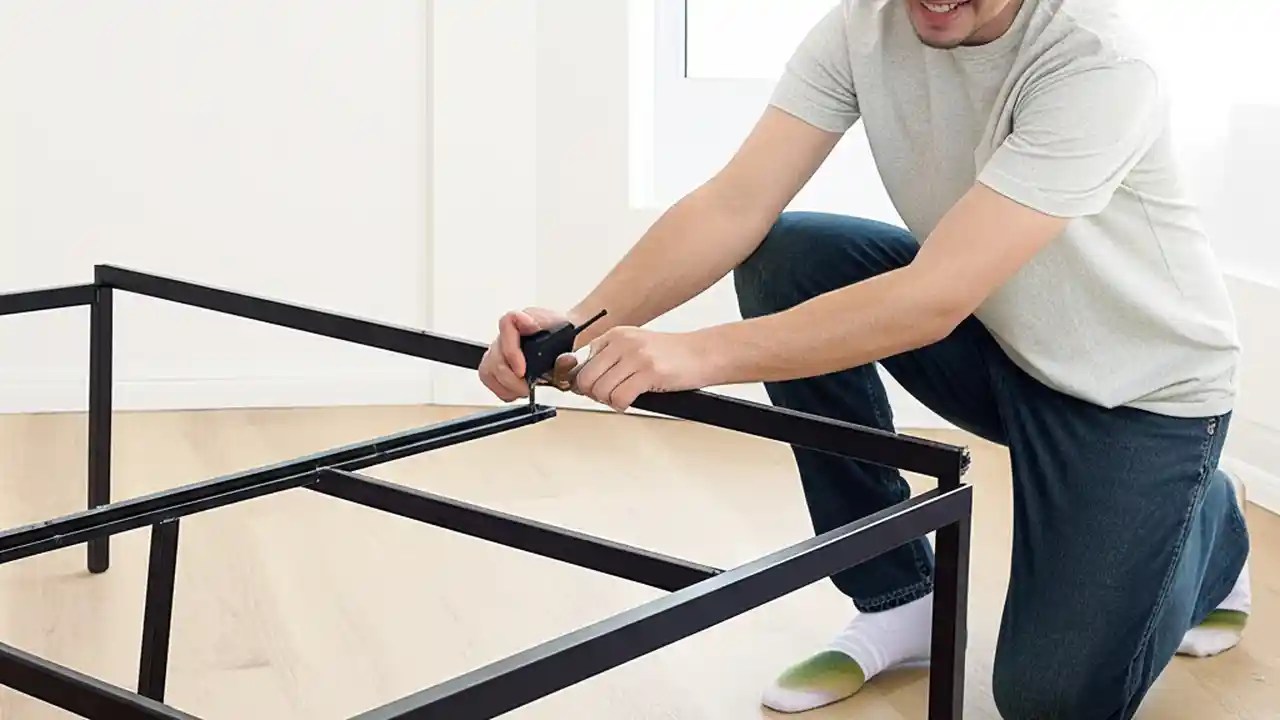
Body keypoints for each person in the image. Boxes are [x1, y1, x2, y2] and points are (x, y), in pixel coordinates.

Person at [477, 0, 1252, 716]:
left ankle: (1205, 518)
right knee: (790, 257)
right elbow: (736, 203)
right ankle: (898, 598)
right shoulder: (865, 24)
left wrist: (692, 356)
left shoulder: (1099, 64)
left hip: (1141, 398)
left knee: (1046, 701)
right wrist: (574, 326)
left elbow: (930, 299)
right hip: (1009, 346)